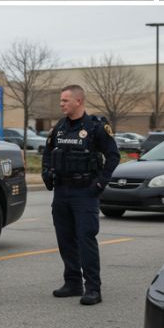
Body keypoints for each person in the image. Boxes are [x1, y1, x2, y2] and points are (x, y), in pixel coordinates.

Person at [42, 85, 120, 306]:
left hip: (85, 192)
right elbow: (48, 152)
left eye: (65, 100)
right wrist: (47, 173)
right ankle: (73, 282)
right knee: (65, 239)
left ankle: (93, 288)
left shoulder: (95, 127)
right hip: (62, 191)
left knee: (85, 239)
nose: (61, 104)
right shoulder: (60, 127)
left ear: (79, 101)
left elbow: (113, 156)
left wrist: (99, 184)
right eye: (61, 101)